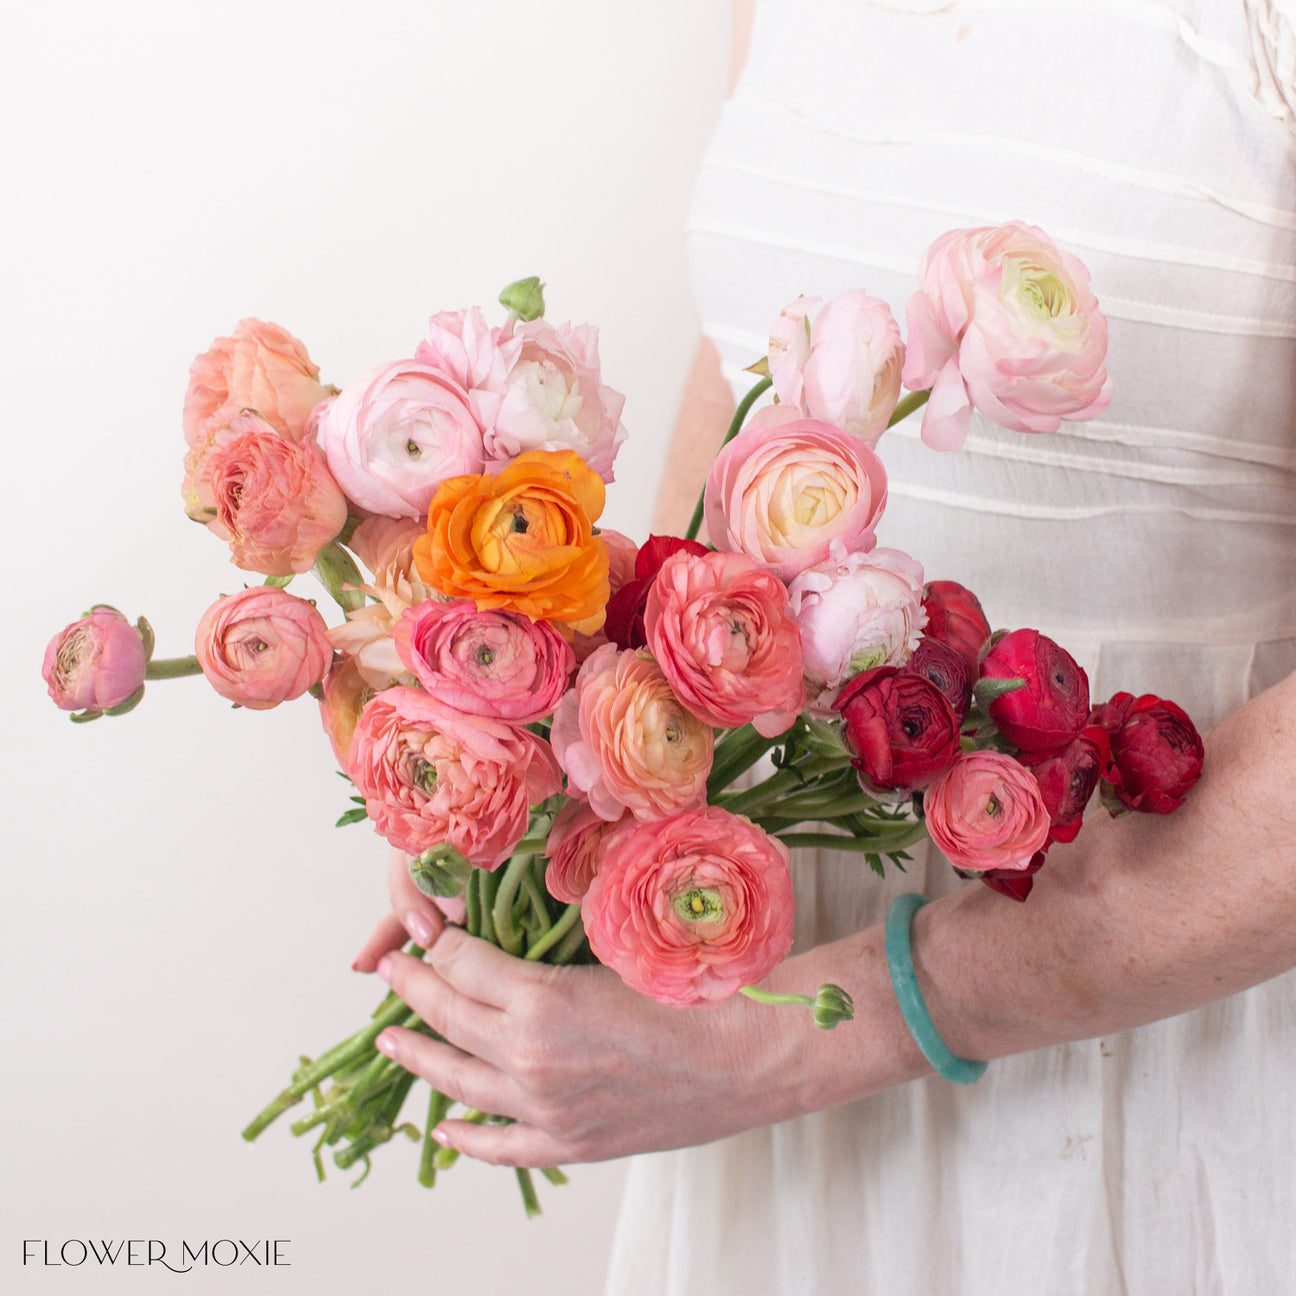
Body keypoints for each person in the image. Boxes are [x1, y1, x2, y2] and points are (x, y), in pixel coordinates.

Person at [355, 1, 1296, 1290]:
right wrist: (572, 798)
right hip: (765, 1066)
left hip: (1174, 1055)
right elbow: (742, 348)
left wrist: (819, 1035)